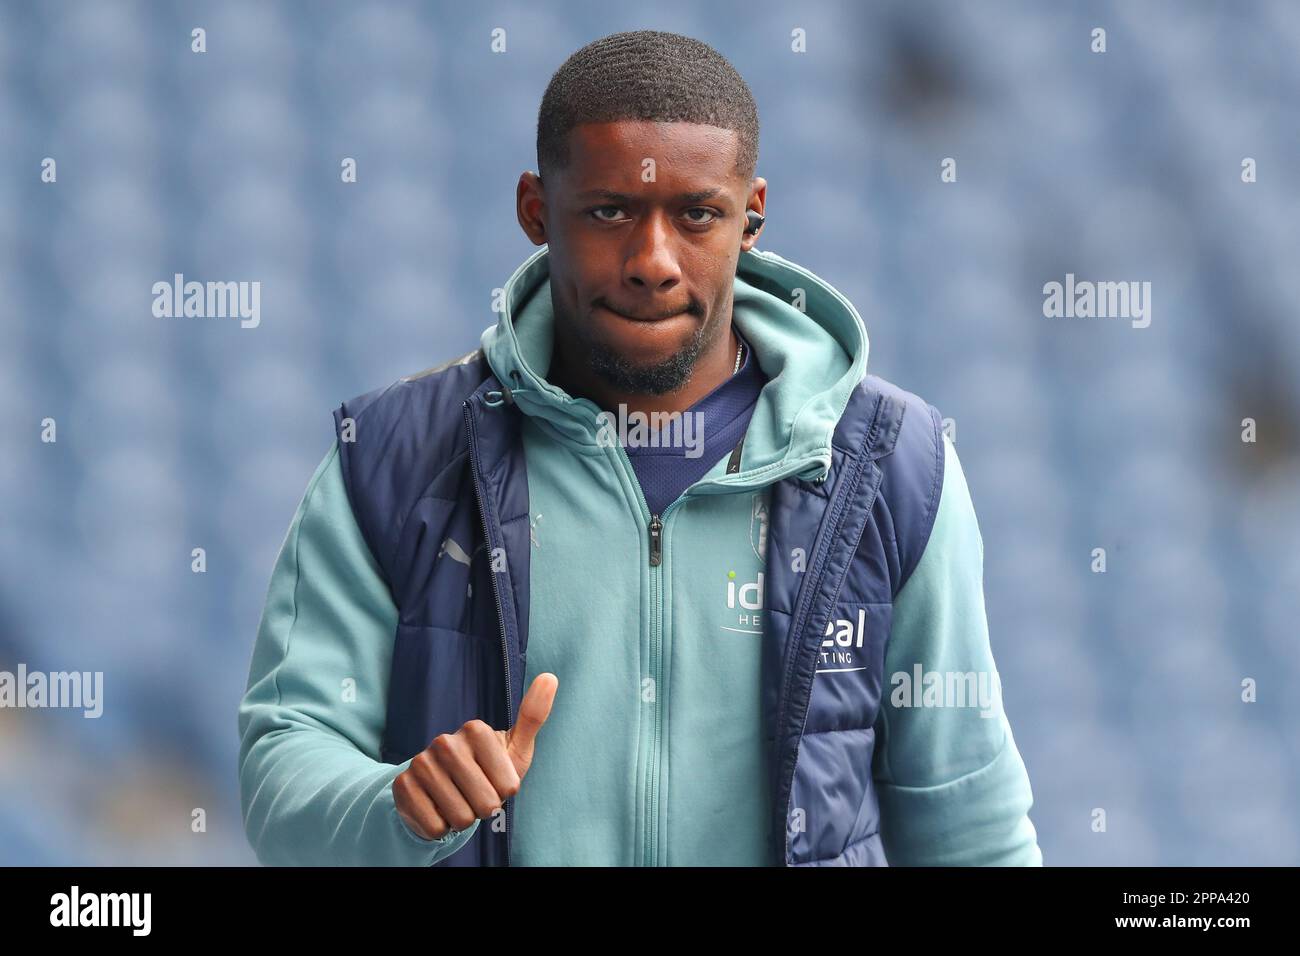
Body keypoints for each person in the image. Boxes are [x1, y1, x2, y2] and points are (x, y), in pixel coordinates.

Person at [238, 29, 1042, 867]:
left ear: (750, 219)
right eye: (609, 211)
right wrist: (394, 805)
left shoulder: (893, 468)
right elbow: (282, 767)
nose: (653, 262)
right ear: (535, 211)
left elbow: (971, 826)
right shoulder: (394, 459)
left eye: (697, 215)